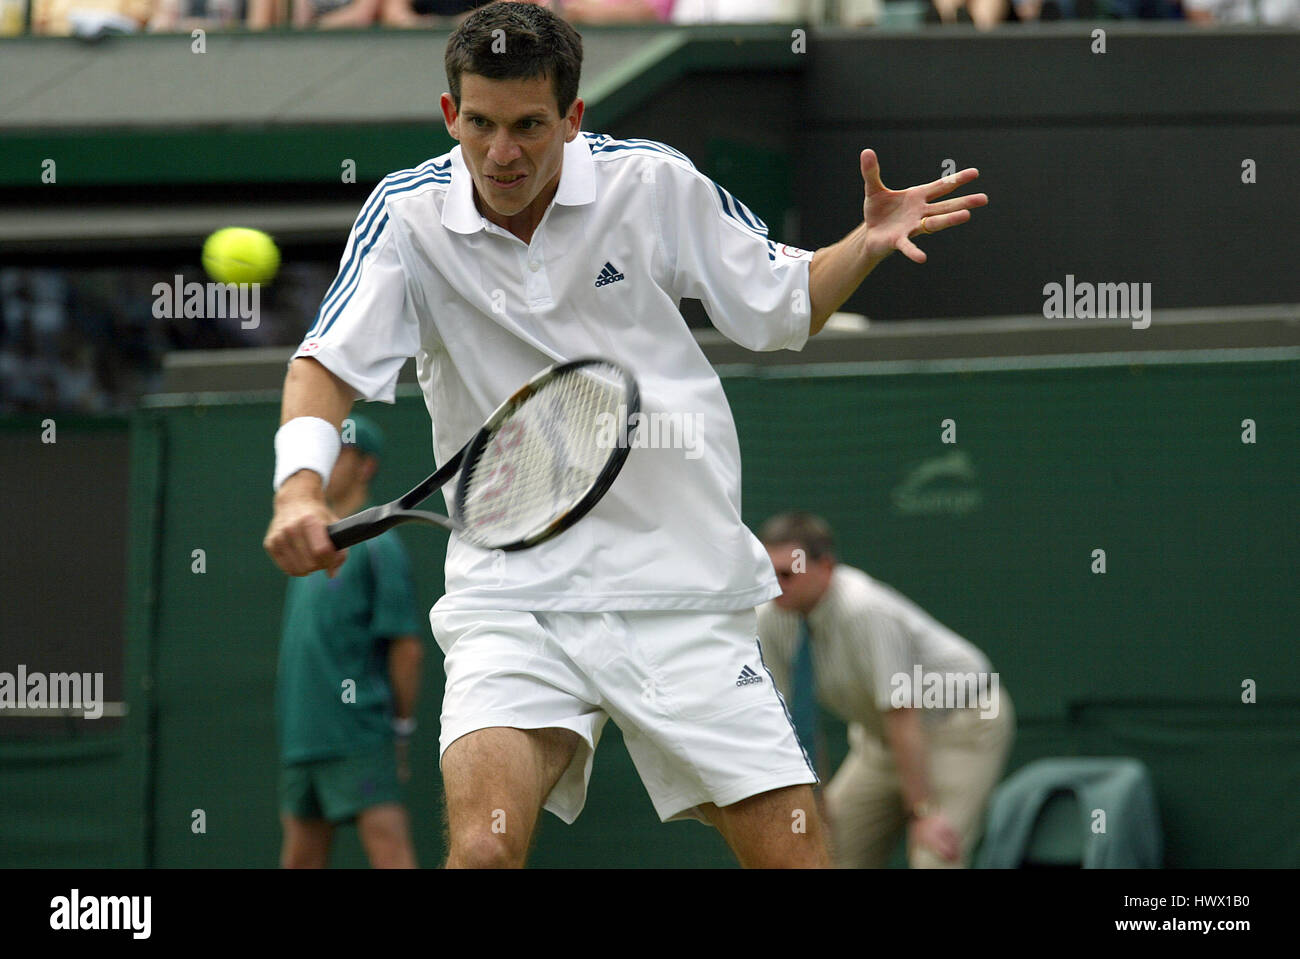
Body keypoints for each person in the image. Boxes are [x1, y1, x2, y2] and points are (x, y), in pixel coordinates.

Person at [262, 1, 986, 869]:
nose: (503, 153)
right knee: (484, 852)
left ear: (573, 117)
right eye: (481, 124)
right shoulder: (407, 218)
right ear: (451, 114)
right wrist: (299, 485)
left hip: (682, 587)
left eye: (530, 126)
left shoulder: (651, 184)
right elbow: (325, 368)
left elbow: (783, 305)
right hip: (512, 594)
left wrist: (864, 243)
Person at [756, 512, 1015, 869]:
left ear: (826, 566)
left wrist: (922, 812)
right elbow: (791, 722)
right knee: (823, 853)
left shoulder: (864, 610)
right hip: (881, 742)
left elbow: (902, 715)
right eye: (768, 573)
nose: (776, 584)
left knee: (934, 858)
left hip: (960, 728)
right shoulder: (769, 617)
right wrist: (813, 806)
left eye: (787, 574)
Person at [275, 414, 425, 868]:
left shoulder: (380, 549)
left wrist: (399, 730)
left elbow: (407, 648)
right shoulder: (313, 548)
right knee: (300, 858)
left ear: (366, 467)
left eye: (338, 454)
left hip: (358, 736)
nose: (326, 467)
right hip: (304, 739)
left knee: (390, 853)